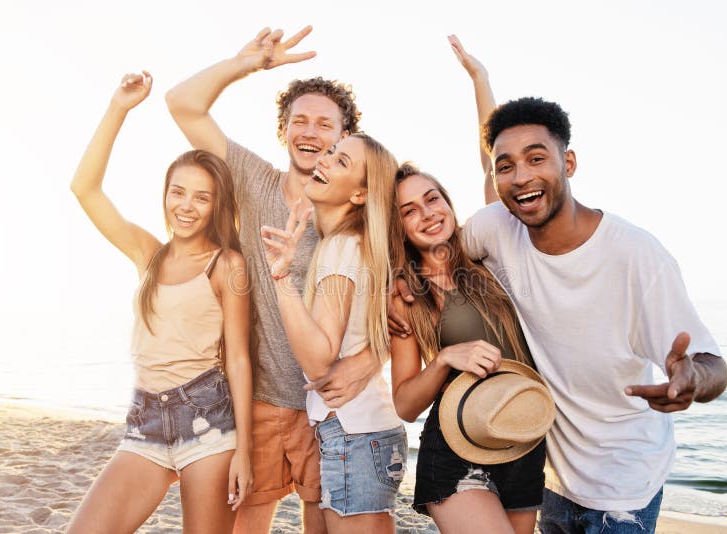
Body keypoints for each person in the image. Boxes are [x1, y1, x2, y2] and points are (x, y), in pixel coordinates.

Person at [456, 91, 727, 531]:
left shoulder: (636, 255)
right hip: (554, 480)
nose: (521, 177)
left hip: (626, 485)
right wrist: (401, 300)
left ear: (568, 164)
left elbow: (713, 365)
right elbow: (435, 257)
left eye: (536, 158)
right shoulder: (495, 229)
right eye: (505, 166)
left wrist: (692, 379)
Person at [166, 26, 381, 533]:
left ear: (344, 136)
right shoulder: (254, 179)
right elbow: (182, 104)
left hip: (328, 411)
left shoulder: (357, 210)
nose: (310, 132)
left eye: (325, 124)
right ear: (283, 130)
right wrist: (247, 65)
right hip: (257, 402)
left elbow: (402, 296)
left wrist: (373, 357)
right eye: (298, 120)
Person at [67, 72, 252, 533]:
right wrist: (118, 108)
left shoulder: (226, 265)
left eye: (201, 197)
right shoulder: (147, 253)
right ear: (165, 195)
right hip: (144, 423)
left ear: (216, 205)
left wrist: (245, 451)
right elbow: (84, 189)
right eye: (178, 192)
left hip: (208, 425)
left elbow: (240, 360)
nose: (186, 206)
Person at [390, 162, 549, 534]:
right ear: (397, 228)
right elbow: (405, 404)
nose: (428, 213)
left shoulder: (491, 250)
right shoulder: (407, 296)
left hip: (522, 434)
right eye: (409, 211)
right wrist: (445, 359)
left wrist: (478, 102)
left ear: (448, 201)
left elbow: (496, 159)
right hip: (455, 447)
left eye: (432, 199)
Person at [260, 133, 406, 534]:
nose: (324, 161)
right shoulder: (353, 244)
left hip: (355, 433)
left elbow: (320, 358)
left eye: (341, 162)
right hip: (362, 431)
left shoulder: (342, 246)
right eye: (330, 154)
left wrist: (281, 277)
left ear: (361, 194)